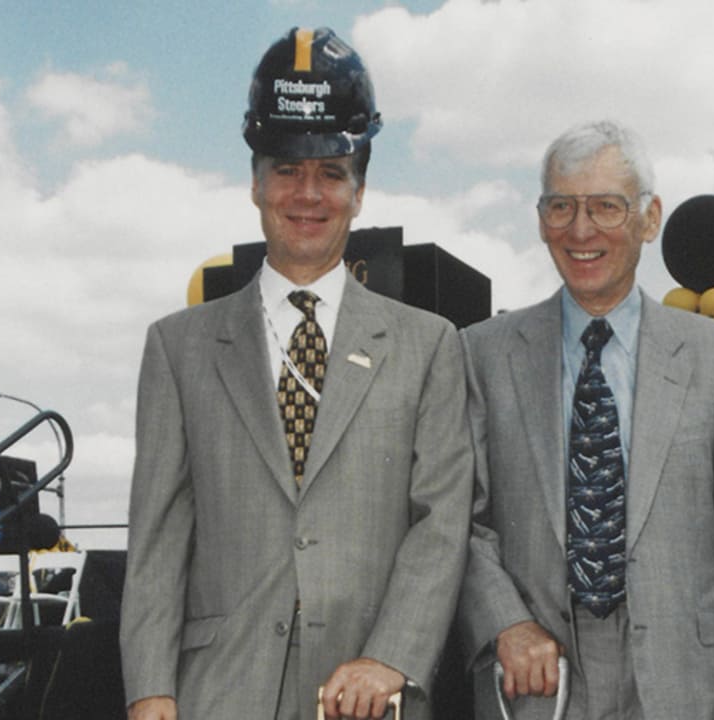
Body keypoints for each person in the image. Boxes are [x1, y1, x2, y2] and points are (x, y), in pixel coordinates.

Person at [120, 27, 472, 720]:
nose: (308, 193)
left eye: (331, 173)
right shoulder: (177, 348)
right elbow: (158, 539)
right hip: (215, 696)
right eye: (286, 169)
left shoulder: (429, 347)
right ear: (255, 182)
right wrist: (151, 692)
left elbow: (443, 522)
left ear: (360, 190)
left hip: (371, 698)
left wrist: (391, 657)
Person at [456, 120, 714, 720]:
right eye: (562, 207)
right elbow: (460, 520)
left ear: (649, 218)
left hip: (690, 686)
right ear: (539, 218)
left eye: (606, 206)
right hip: (537, 683)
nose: (582, 230)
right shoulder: (481, 353)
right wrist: (506, 621)